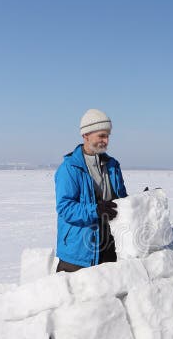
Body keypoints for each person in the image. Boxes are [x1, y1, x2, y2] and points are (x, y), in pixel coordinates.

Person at [54, 109, 128, 272]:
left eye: (108, 136)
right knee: (74, 297)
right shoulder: (70, 169)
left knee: (110, 296)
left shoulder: (113, 165)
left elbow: (120, 200)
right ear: (86, 135)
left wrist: (139, 202)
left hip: (110, 247)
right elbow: (65, 208)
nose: (106, 140)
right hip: (78, 253)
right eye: (101, 135)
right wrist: (95, 210)